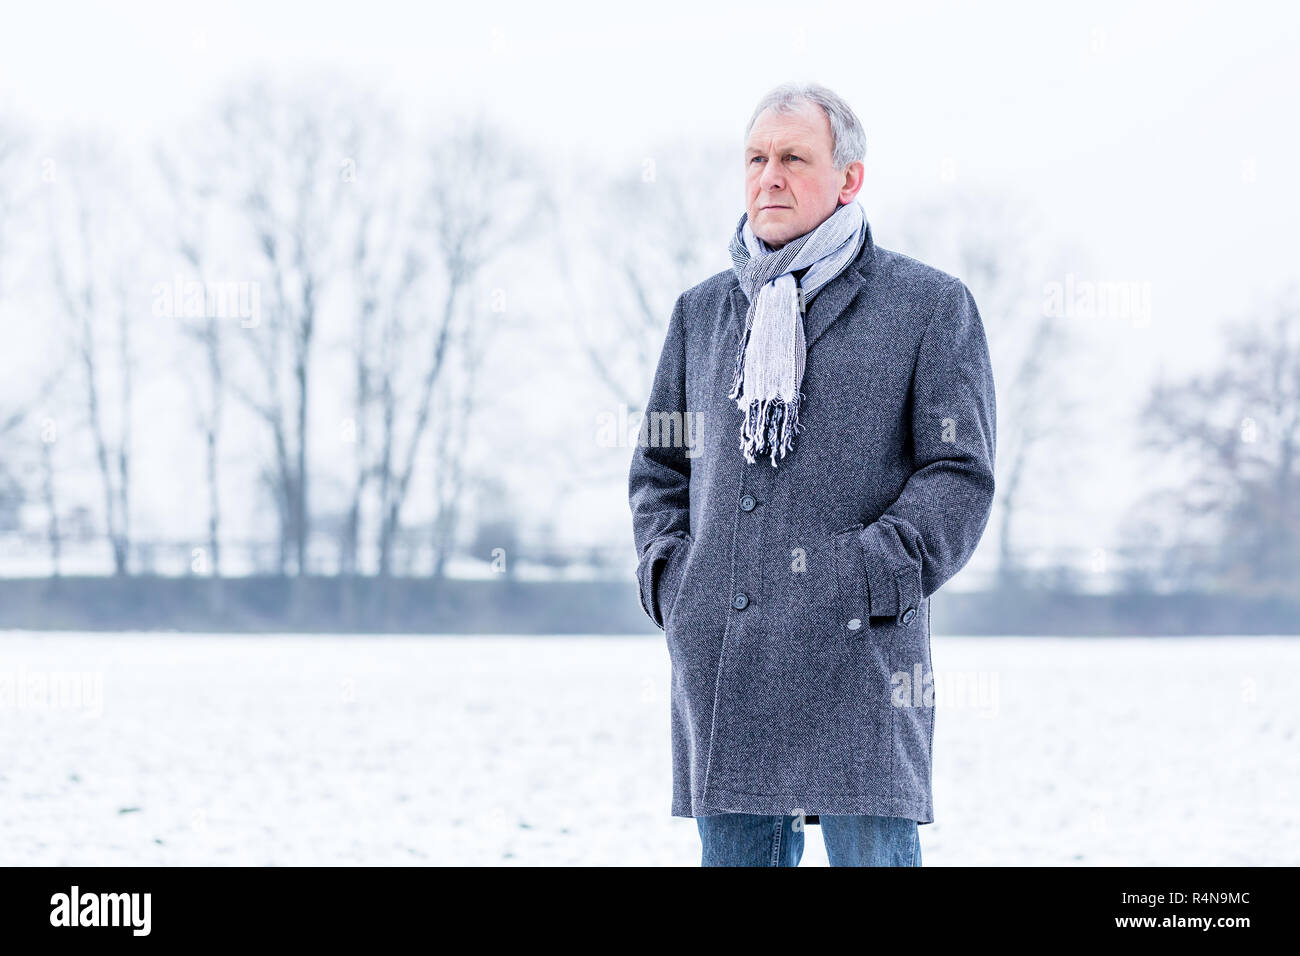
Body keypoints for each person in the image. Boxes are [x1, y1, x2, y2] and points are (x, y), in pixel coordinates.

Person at [627, 82, 997, 866]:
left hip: (859, 658)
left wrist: (871, 571)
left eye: (794, 158)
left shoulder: (927, 305)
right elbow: (660, 464)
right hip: (727, 654)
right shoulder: (702, 313)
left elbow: (959, 474)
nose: (770, 176)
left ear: (849, 179)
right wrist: (673, 578)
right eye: (757, 158)